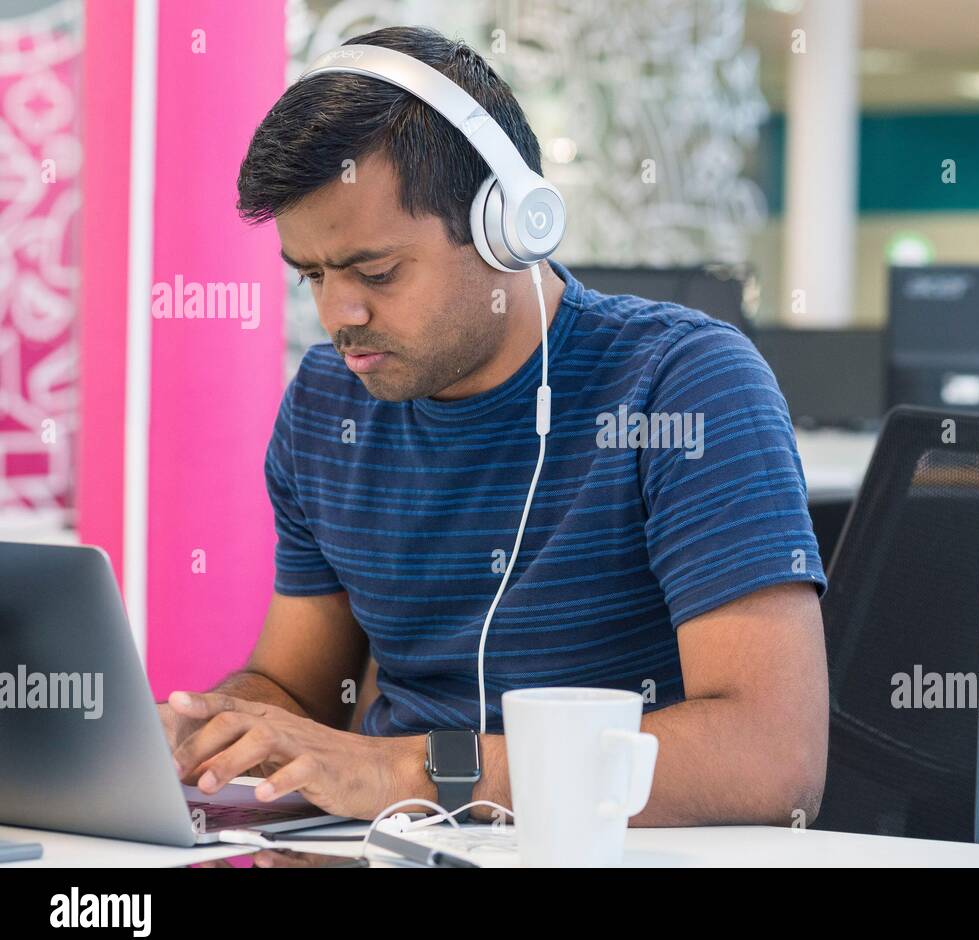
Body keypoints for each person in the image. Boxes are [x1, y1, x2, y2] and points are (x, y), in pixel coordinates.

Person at [156, 26, 828, 827]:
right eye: (312, 276)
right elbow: (299, 685)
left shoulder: (681, 386)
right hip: (389, 845)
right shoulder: (326, 404)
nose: (340, 315)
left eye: (376, 272)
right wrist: (223, 726)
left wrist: (409, 768)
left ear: (509, 227)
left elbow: (770, 758)